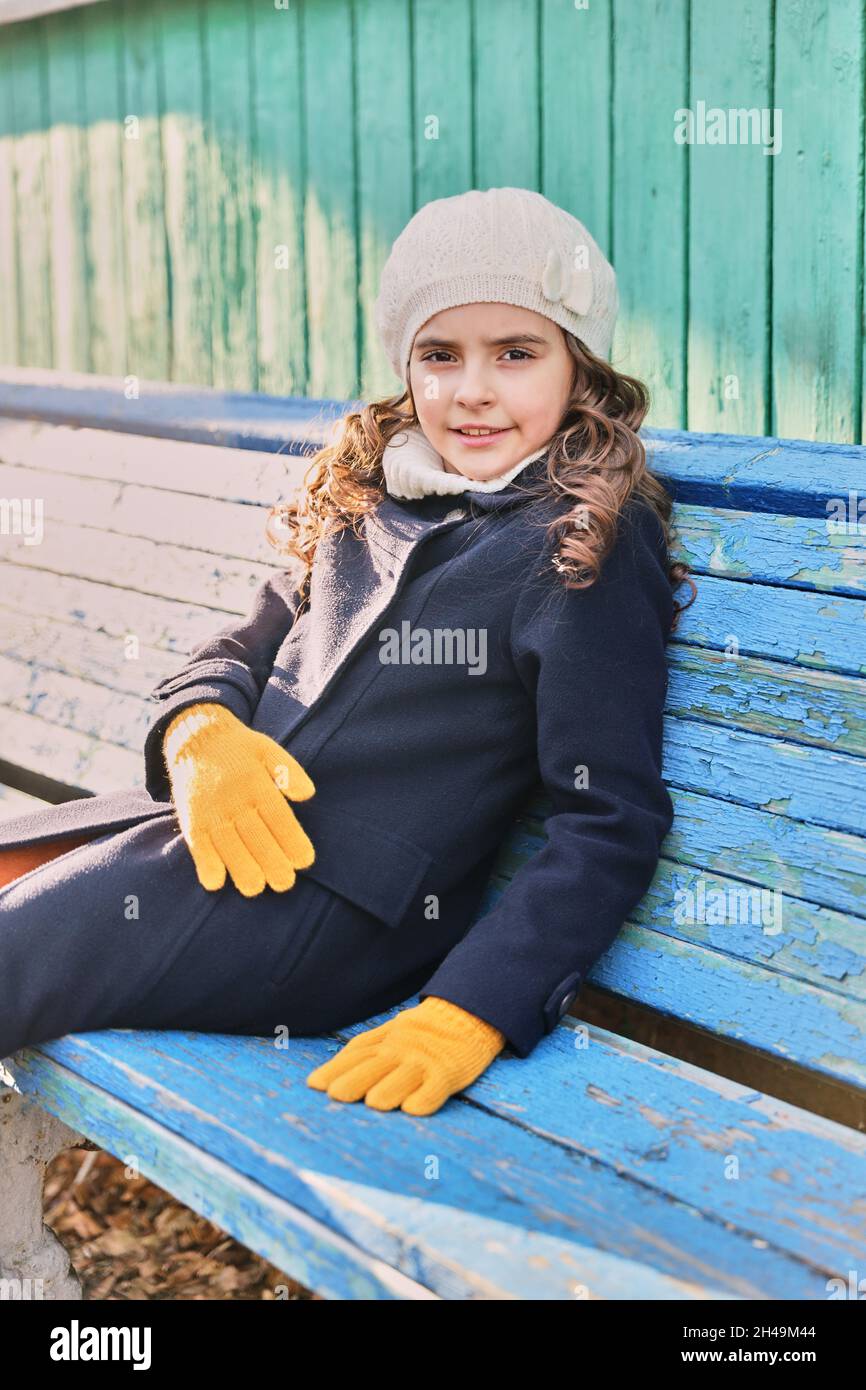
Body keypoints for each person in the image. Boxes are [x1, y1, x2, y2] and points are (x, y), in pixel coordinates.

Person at [0, 187, 695, 1116]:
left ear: (580, 366)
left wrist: (473, 1006)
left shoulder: (579, 543)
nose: (473, 389)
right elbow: (246, 642)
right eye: (439, 355)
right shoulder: (374, 490)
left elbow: (610, 816)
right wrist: (201, 732)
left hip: (328, 919)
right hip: (215, 840)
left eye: (517, 353)